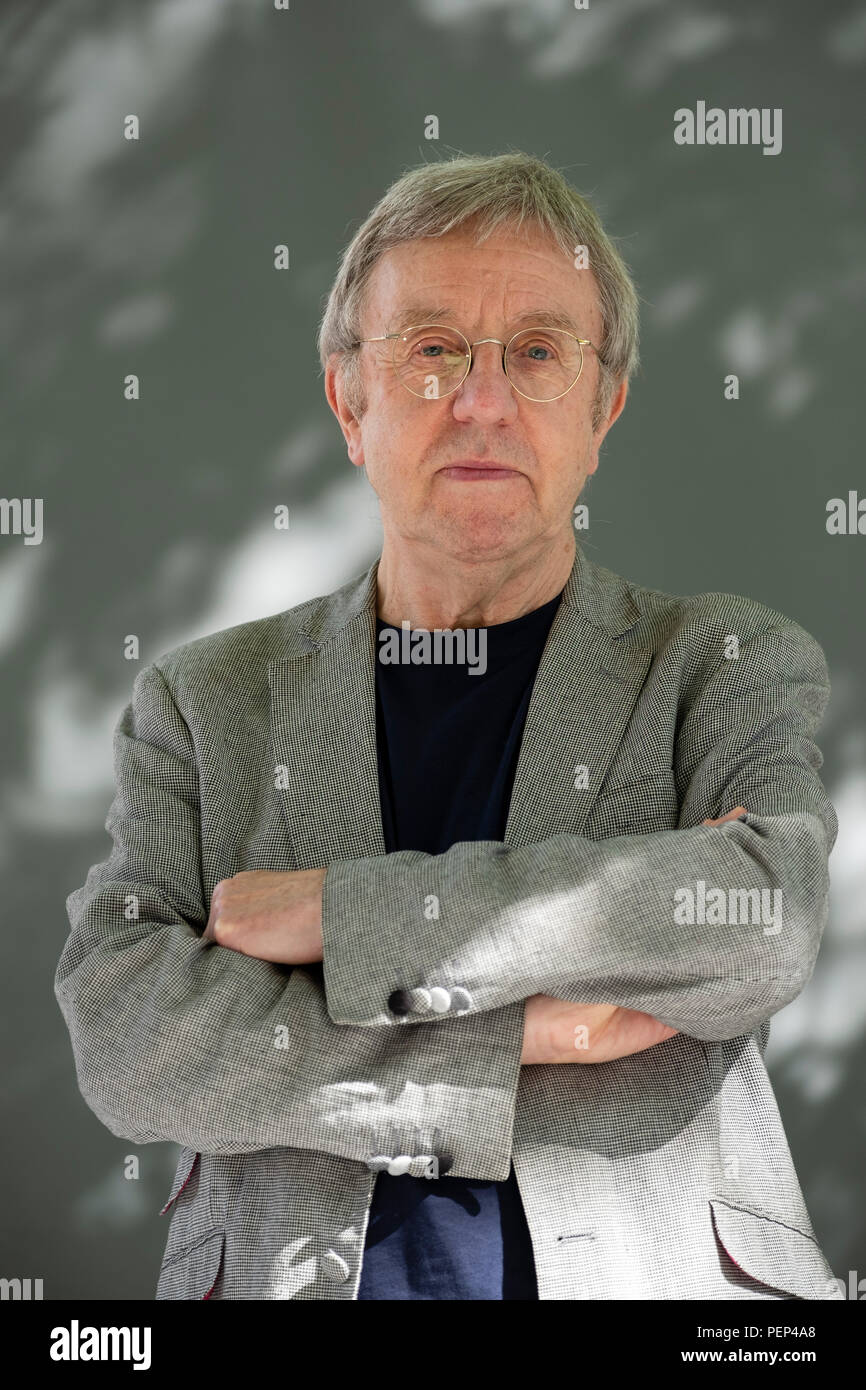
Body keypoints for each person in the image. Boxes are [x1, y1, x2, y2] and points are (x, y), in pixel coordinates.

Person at [55, 151, 842, 1301]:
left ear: (601, 405)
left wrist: (334, 914)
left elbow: (763, 911)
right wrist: (531, 1035)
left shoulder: (721, 661)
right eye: (429, 350)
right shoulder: (202, 699)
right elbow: (125, 1034)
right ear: (349, 402)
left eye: (535, 353)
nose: (480, 400)